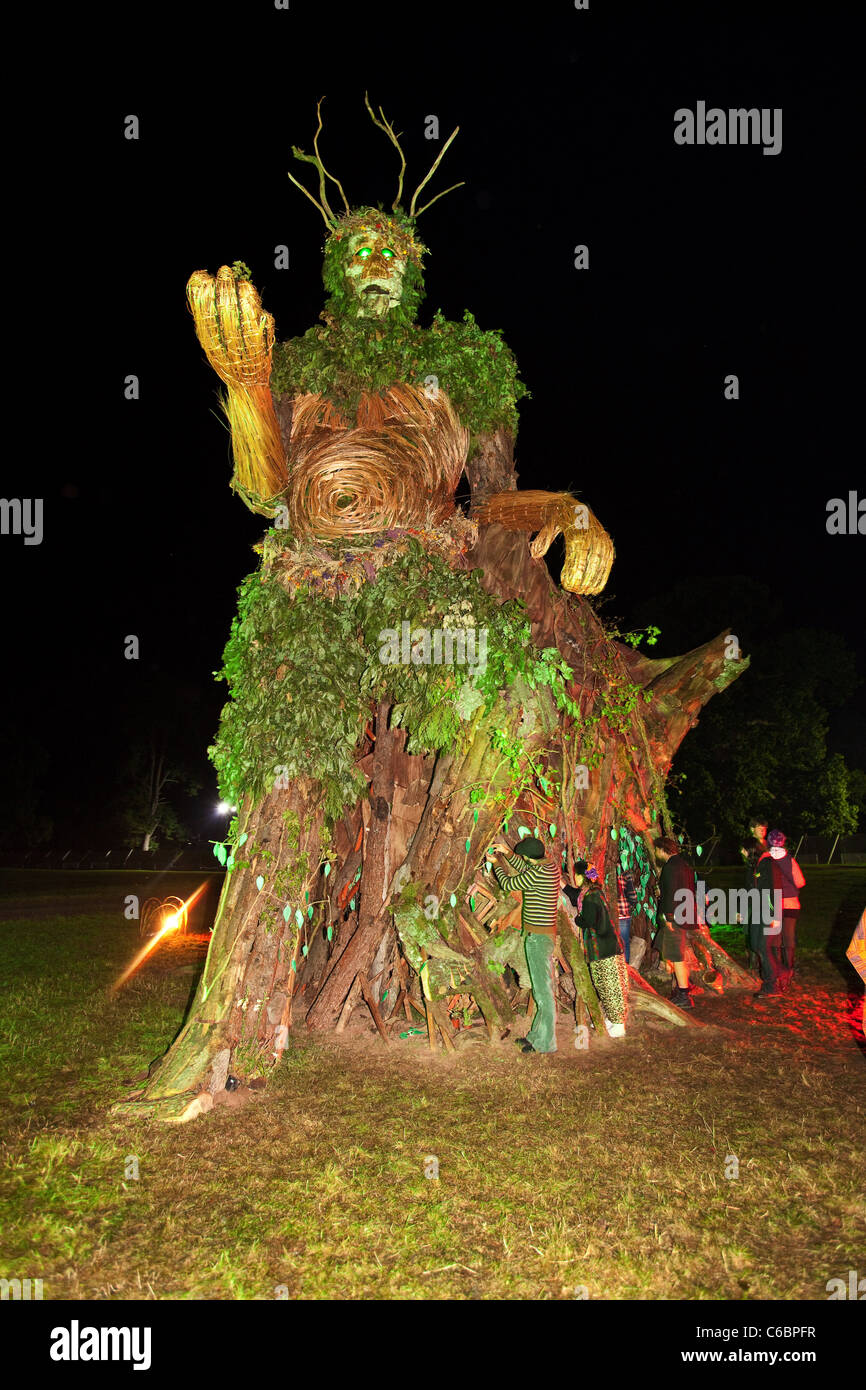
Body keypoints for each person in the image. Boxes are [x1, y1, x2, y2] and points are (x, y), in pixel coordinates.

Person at [489, 835, 561, 1054]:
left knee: (543, 993)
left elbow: (509, 883)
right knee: (541, 991)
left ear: (531, 858)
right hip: (542, 935)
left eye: (524, 857)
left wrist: (496, 865)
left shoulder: (537, 873)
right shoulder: (550, 866)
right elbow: (525, 867)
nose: (523, 860)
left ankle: (545, 1043)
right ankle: (536, 1037)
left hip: (538, 939)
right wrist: (508, 853)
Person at [563, 861, 628, 1037]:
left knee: (610, 985)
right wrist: (563, 886)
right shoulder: (591, 892)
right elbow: (575, 895)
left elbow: (588, 920)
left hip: (604, 948)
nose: (574, 877)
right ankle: (612, 1019)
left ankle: (619, 1024)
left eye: (576, 874)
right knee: (602, 984)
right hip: (601, 948)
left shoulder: (591, 896)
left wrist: (576, 919)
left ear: (581, 876)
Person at [757, 829, 806, 991]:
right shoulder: (790, 860)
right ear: (784, 842)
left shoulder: (764, 858)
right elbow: (800, 882)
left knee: (774, 940)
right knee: (789, 937)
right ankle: (789, 969)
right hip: (791, 903)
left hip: (773, 904)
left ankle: (776, 972)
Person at [653, 836, 698, 1009]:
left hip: (676, 917)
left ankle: (683, 994)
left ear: (663, 849)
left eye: (657, 850)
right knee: (675, 953)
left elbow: (672, 893)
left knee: (677, 957)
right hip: (685, 914)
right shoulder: (684, 865)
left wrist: (670, 917)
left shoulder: (670, 867)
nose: (656, 853)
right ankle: (683, 988)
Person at [616, 863, 638, 966]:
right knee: (625, 943)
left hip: (607, 915)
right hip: (623, 914)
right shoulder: (624, 874)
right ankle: (626, 968)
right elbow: (633, 898)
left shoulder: (599, 870)